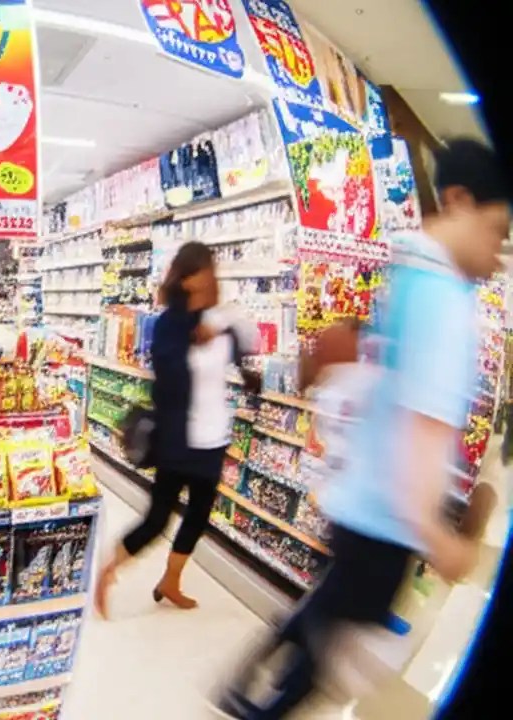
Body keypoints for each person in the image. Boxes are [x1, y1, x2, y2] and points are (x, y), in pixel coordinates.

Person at [214, 138, 505, 719]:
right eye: (498, 230)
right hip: (387, 521)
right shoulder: (443, 301)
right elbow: (423, 424)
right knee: (323, 661)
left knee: (319, 633)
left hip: (360, 505)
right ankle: (250, 702)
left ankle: (244, 693)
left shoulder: (410, 274)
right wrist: (439, 536)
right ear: (459, 201)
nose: (499, 253)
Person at [94, 241, 260, 618]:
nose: (210, 277)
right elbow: (166, 378)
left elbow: (244, 360)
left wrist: (246, 366)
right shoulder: (170, 323)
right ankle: (109, 570)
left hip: (213, 438)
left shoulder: (219, 319)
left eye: (211, 270)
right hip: (178, 440)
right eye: (202, 270)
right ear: (185, 278)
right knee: (158, 519)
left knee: (199, 516)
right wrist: (194, 340)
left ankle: (171, 580)